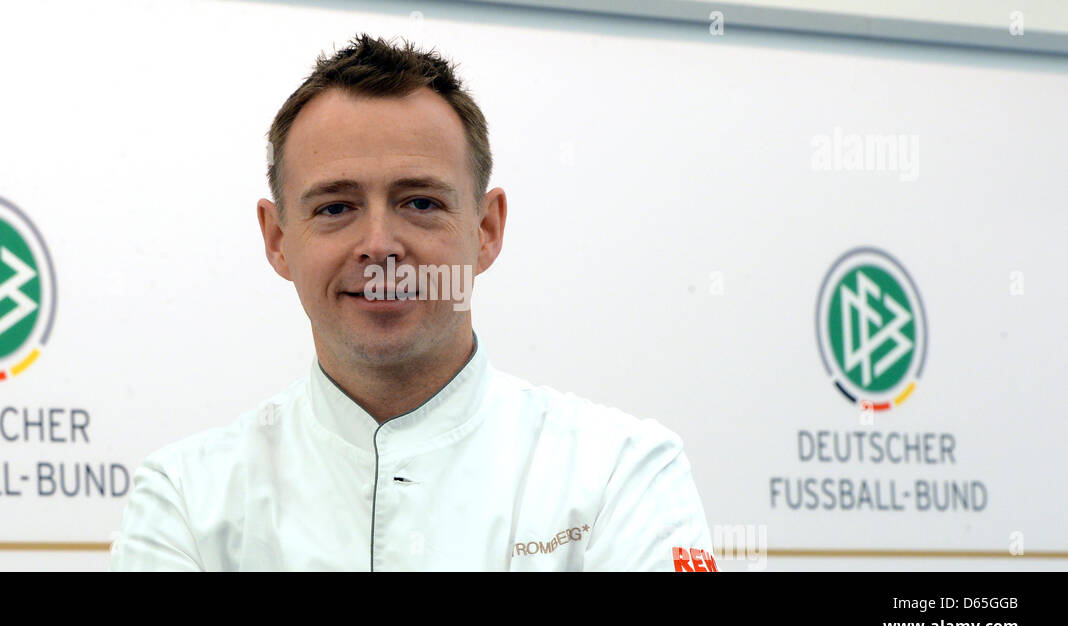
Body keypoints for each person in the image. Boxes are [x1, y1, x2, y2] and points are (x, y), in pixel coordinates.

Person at [110, 33, 716, 571]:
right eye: (335, 207)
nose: (379, 246)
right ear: (277, 241)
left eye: (420, 202)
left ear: (486, 229)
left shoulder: (622, 473)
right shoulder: (186, 500)